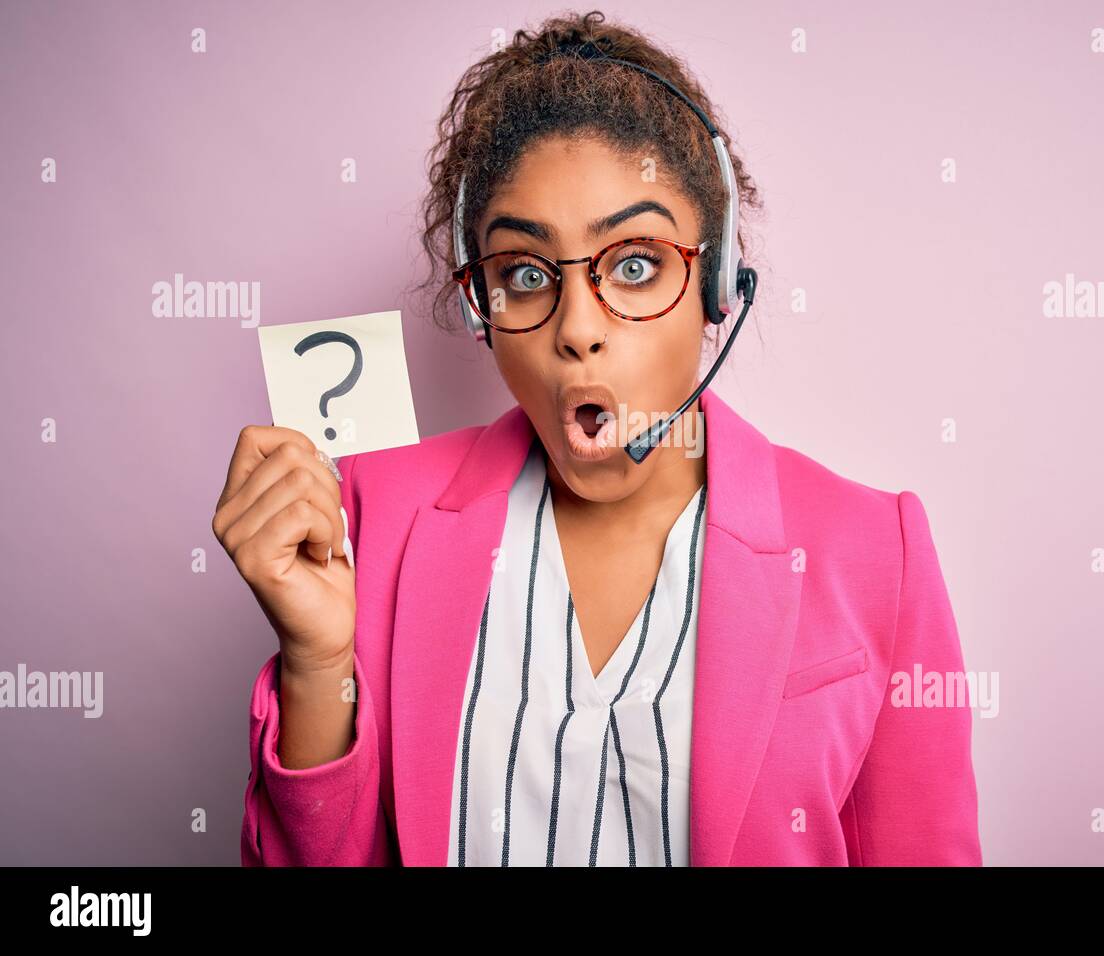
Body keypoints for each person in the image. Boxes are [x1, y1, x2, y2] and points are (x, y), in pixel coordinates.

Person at [213, 10, 981, 867]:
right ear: (480, 305)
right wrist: (319, 664)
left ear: (718, 280)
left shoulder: (877, 551)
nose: (578, 330)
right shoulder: (373, 516)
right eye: (527, 275)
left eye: (636, 263)